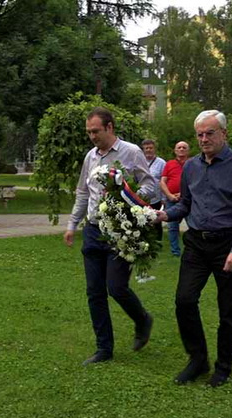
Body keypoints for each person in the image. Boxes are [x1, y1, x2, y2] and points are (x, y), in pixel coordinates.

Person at [155, 110, 232, 388]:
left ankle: (223, 366)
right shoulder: (191, 167)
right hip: (197, 244)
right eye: (199, 134)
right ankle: (197, 358)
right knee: (184, 300)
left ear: (224, 133)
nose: (204, 139)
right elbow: (186, 204)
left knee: (229, 309)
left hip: (229, 244)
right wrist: (167, 215)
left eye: (209, 133)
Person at [64, 107, 156, 366]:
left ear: (110, 127)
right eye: (89, 132)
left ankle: (142, 319)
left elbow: (149, 186)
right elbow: (83, 192)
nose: (92, 136)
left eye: (96, 131)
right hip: (93, 230)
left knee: (116, 287)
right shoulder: (90, 157)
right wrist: (72, 224)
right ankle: (104, 348)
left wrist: (126, 192)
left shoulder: (131, 152)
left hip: (120, 230)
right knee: (94, 292)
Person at [160, 141, 189, 257]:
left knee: (192, 225)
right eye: (179, 147)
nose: (181, 149)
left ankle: (191, 250)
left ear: (188, 151)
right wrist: (169, 195)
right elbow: (162, 182)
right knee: (172, 227)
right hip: (171, 199)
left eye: (184, 147)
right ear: (175, 150)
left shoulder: (193, 163)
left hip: (188, 199)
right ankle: (175, 251)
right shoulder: (169, 164)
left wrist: (183, 194)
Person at [142, 139, 166, 241]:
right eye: (146, 148)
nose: (148, 150)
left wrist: (164, 198)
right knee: (142, 219)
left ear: (154, 149)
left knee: (156, 219)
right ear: (143, 150)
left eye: (150, 148)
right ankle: (144, 240)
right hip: (142, 197)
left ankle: (157, 241)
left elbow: (164, 181)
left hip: (156, 197)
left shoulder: (161, 163)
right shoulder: (139, 161)